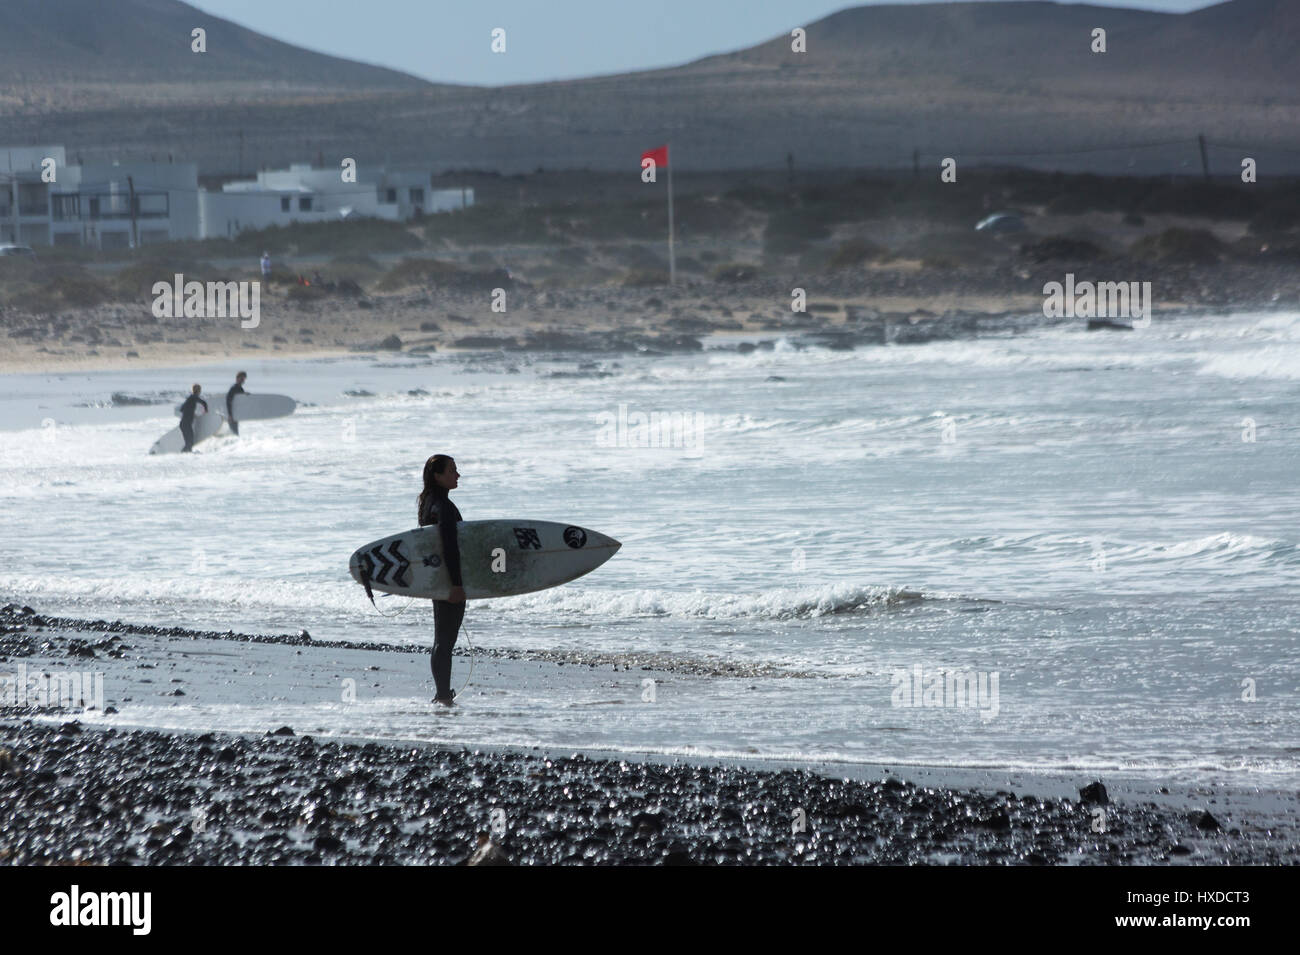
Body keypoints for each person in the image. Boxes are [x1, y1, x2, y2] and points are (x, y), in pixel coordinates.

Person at [417, 454, 464, 705]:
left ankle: (442, 693)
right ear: (438, 476)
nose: (458, 475)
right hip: (448, 580)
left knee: (442, 638)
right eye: (452, 470)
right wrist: (456, 584)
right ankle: (443, 695)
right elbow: (450, 547)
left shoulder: (428, 503)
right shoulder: (443, 507)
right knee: (445, 640)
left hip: (437, 579)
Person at [178, 384, 208, 453]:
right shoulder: (194, 397)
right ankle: (182, 454)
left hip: (184, 424)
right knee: (190, 442)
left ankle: (185, 454)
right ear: (198, 391)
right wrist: (206, 410)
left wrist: (191, 414)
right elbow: (203, 402)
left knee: (189, 442)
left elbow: (181, 409)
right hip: (186, 424)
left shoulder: (190, 398)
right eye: (199, 390)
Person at [226, 371, 247, 436]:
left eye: (244, 379)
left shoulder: (240, 389)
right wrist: (230, 415)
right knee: (234, 433)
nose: (243, 381)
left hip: (235, 415)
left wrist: (246, 395)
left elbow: (240, 400)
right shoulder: (234, 388)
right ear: (237, 378)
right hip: (232, 415)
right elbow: (228, 400)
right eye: (242, 379)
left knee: (235, 433)